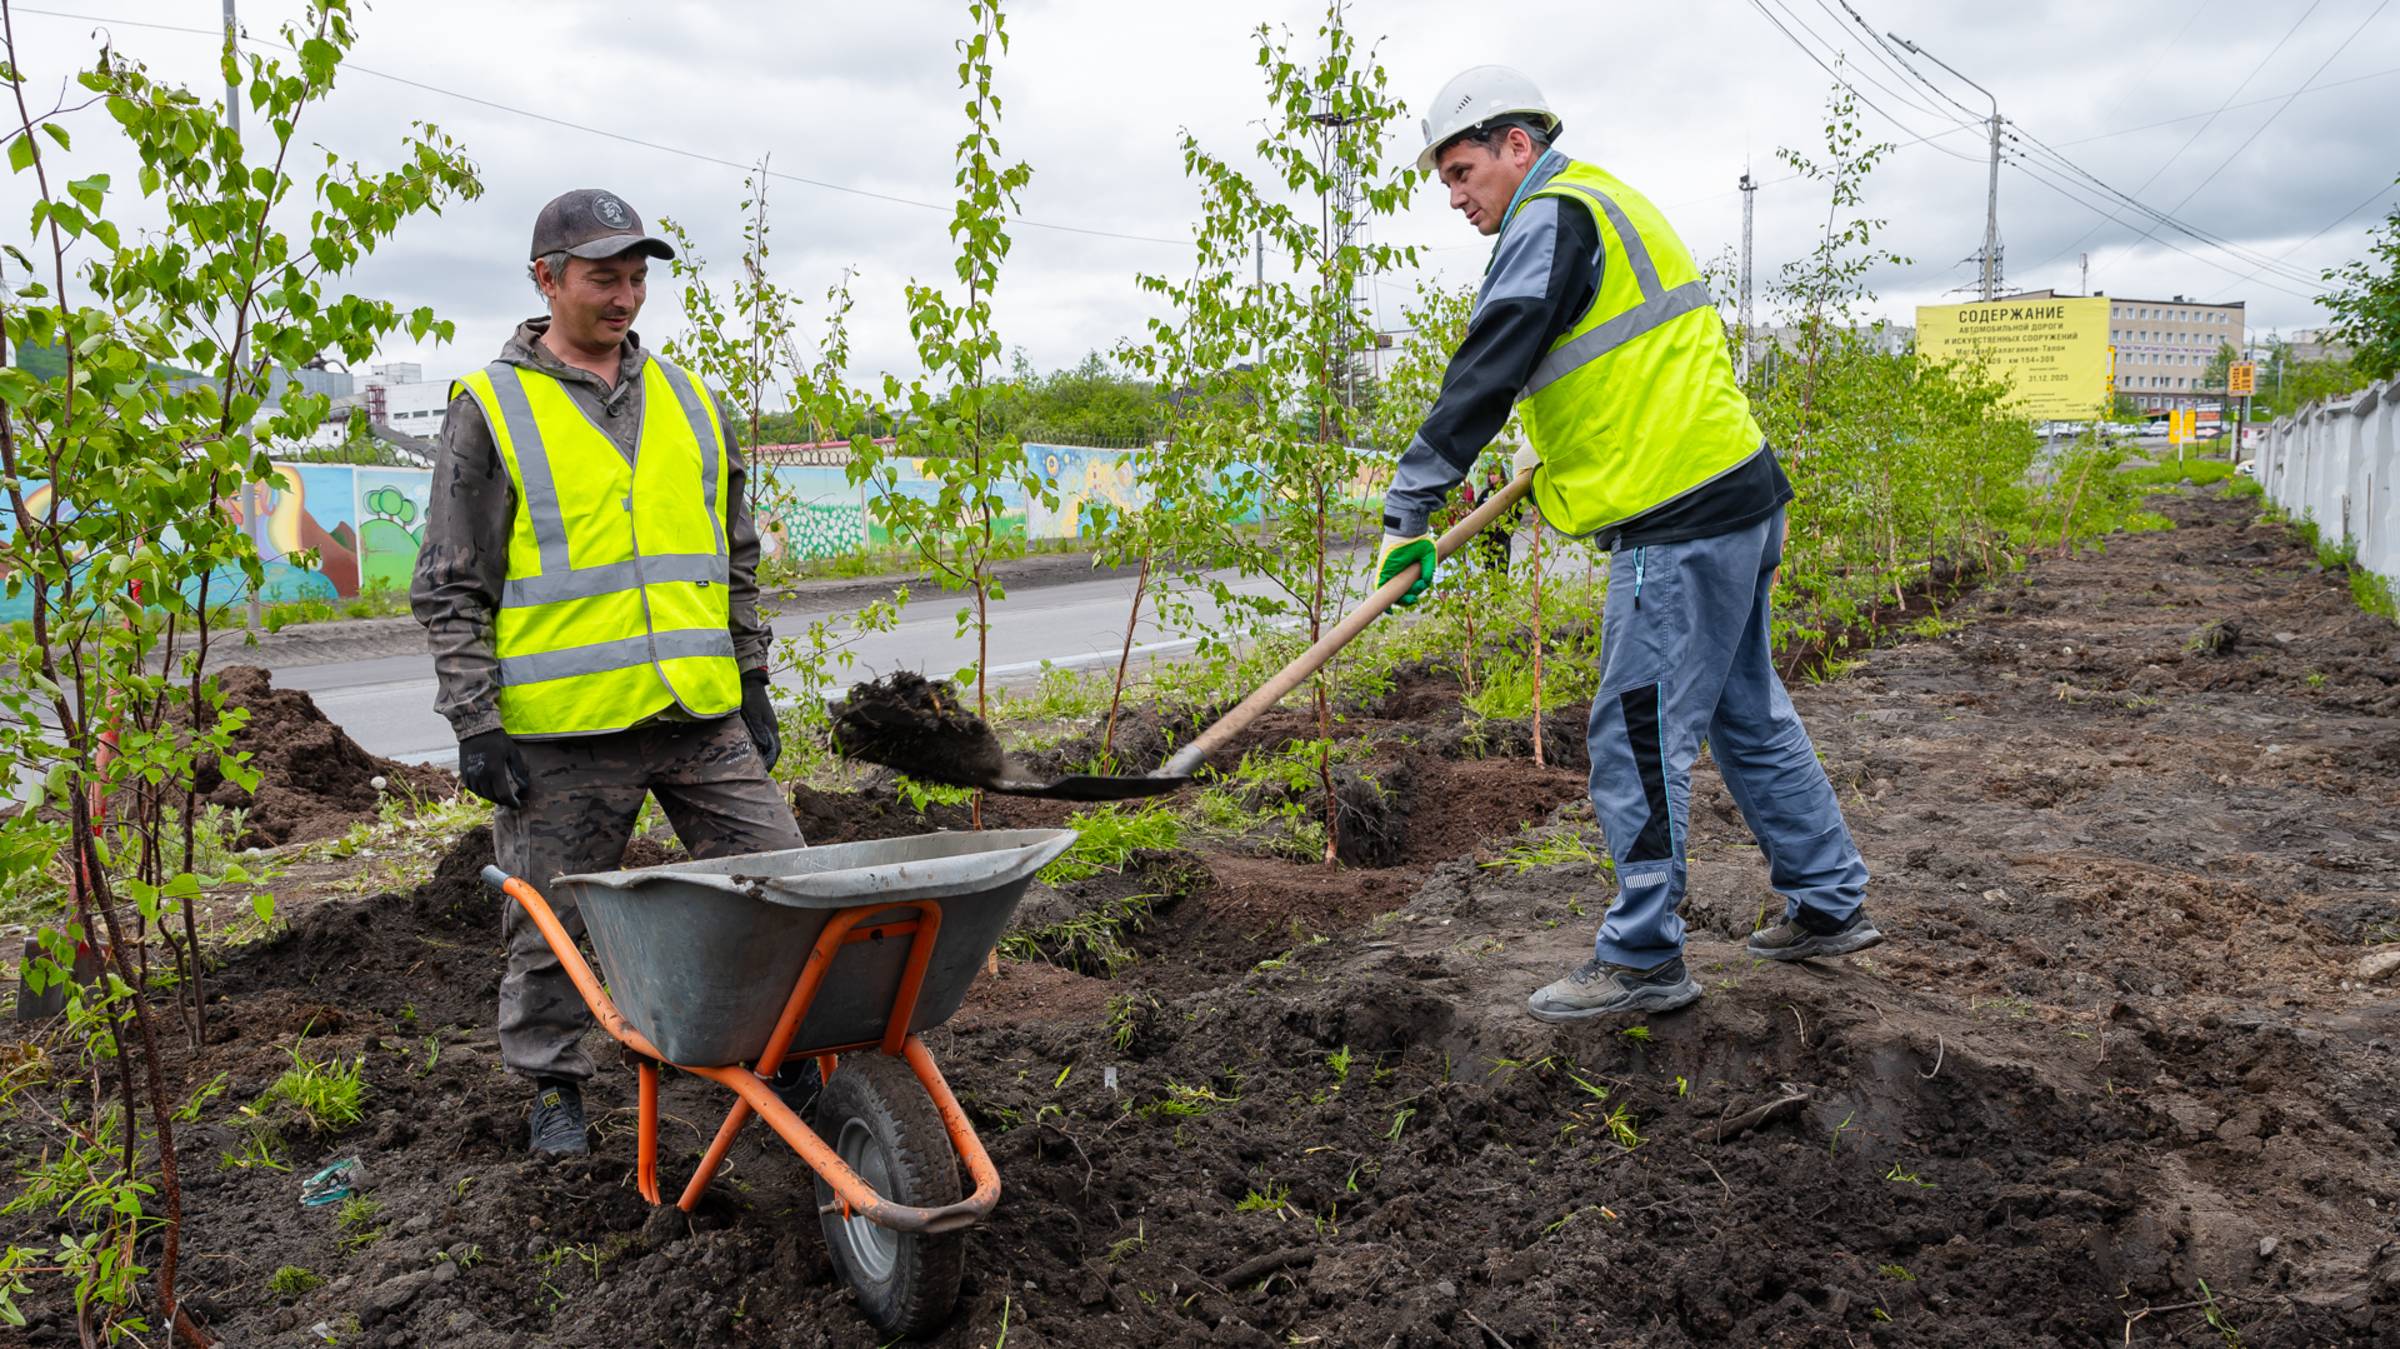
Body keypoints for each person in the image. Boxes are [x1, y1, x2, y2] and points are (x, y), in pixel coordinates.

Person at [1373, 69, 1879, 1023]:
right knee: (1746, 713)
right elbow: (1612, 367)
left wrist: (1410, 510)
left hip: (1676, 515)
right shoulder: (1609, 202)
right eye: (1446, 181)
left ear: (1517, 145)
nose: (1455, 197)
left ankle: (1643, 954)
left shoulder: (1549, 217)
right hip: (1737, 488)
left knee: (1636, 732)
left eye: (1463, 171)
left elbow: (1487, 365)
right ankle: (1828, 900)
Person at [412, 188, 806, 1154]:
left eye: (636, 278)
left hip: (697, 713)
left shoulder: (692, 399)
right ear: (546, 280)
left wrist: (751, 678)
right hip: (565, 732)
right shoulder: (490, 408)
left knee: (789, 884)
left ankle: (795, 1052)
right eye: (603, 279)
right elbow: (451, 583)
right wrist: (476, 721)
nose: (625, 297)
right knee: (552, 924)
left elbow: (732, 555)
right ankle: (554, 1089)